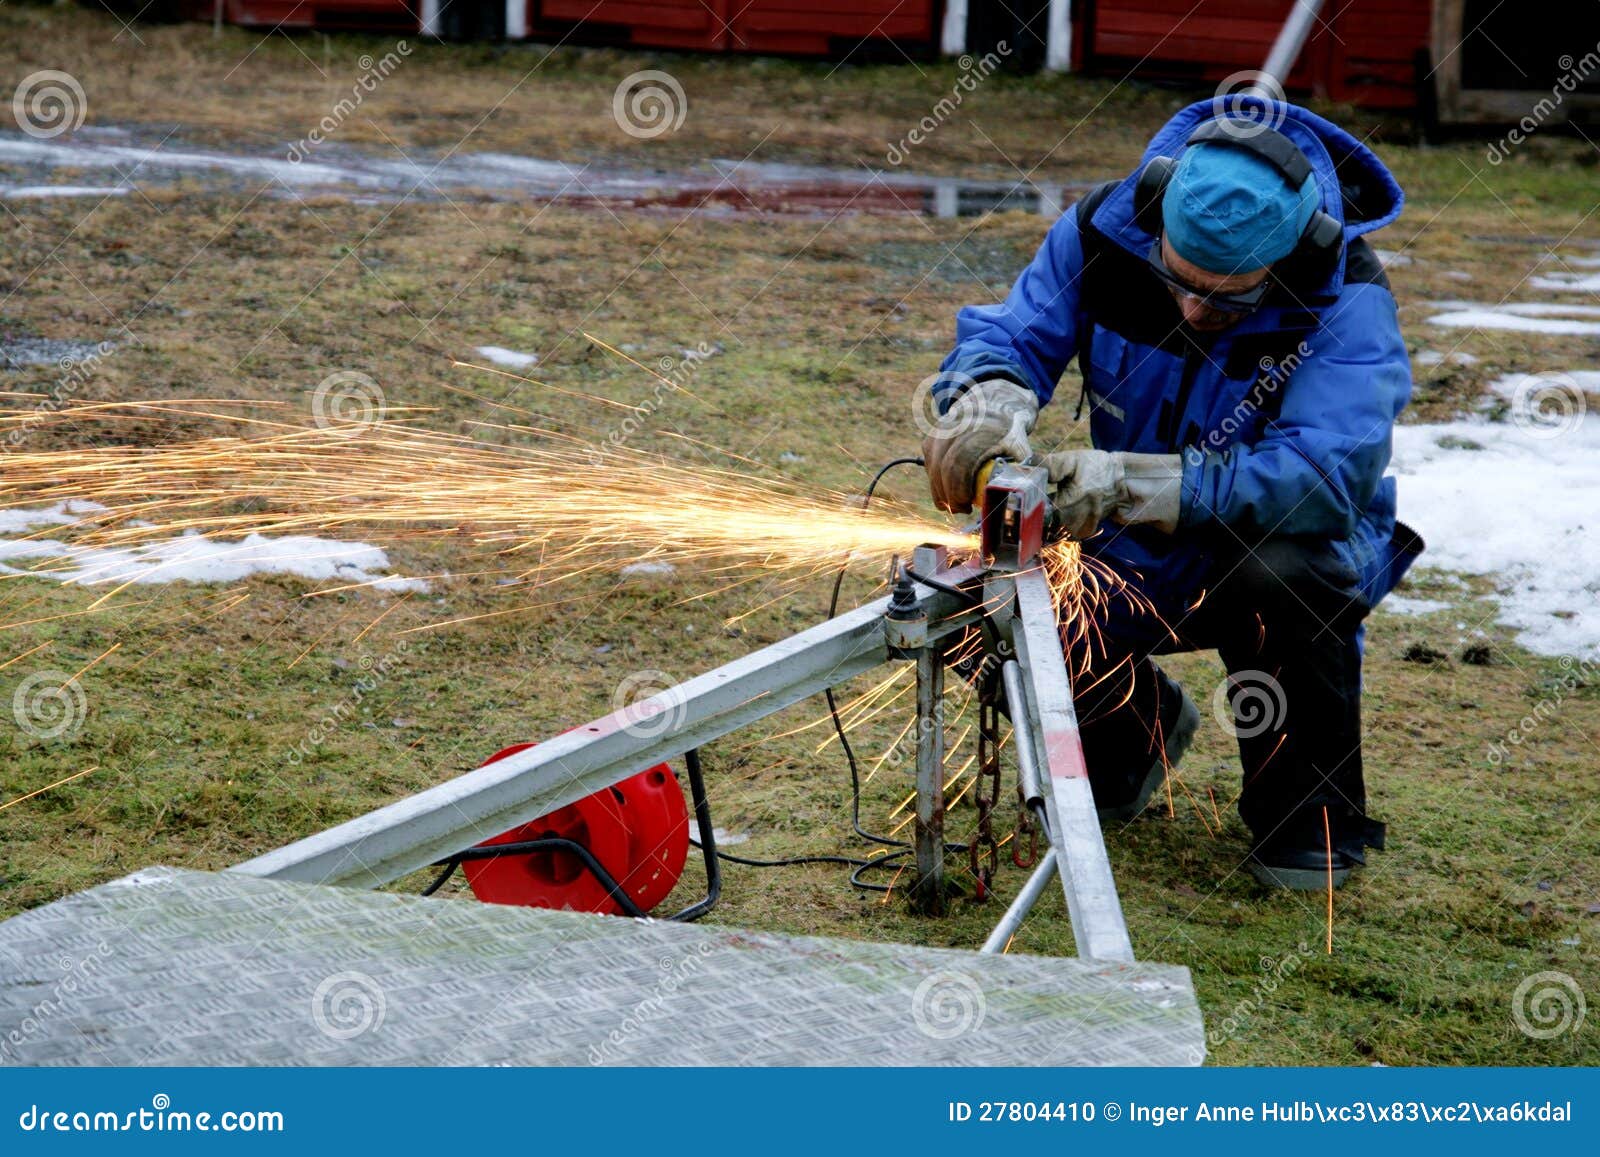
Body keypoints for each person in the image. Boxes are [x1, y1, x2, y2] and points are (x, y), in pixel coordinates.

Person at [921, 98, 1422, 890]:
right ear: (1155, 207)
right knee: (956, 591)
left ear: (1296, 253)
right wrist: (987, 398)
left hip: (1271, 546)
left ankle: (1307, 826)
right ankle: (1127, 748)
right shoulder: (1100, 232)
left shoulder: (1344, 295)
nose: (1193, 311)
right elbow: (1013, 332)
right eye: (1178, 281)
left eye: (1226, 300)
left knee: (1288, 573)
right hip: (1135, 542)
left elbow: (1326, 474)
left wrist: (1136, 483)